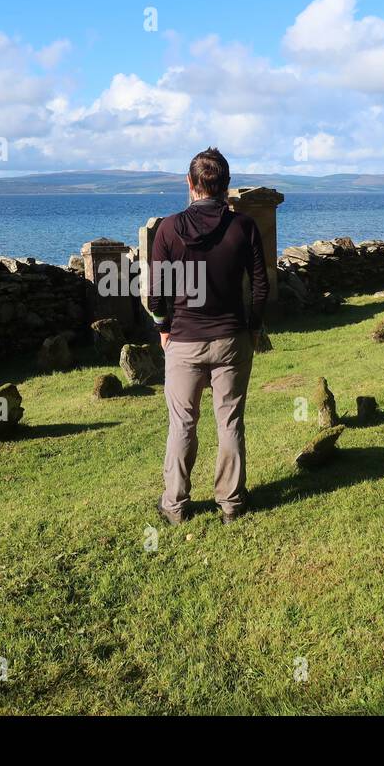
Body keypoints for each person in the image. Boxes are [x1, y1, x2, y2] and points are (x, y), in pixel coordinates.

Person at [147, 147, 269, 524]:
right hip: (232, 338)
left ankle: (175, 506)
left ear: (190, 183)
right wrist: (251, 328)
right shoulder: (244, 226)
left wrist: (163, 328)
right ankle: (231, 504)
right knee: (229, 421)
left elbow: (156, 292)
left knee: (182, 423)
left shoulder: (168, 228)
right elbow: (261, 286)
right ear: (227, 186)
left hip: (183, 339)